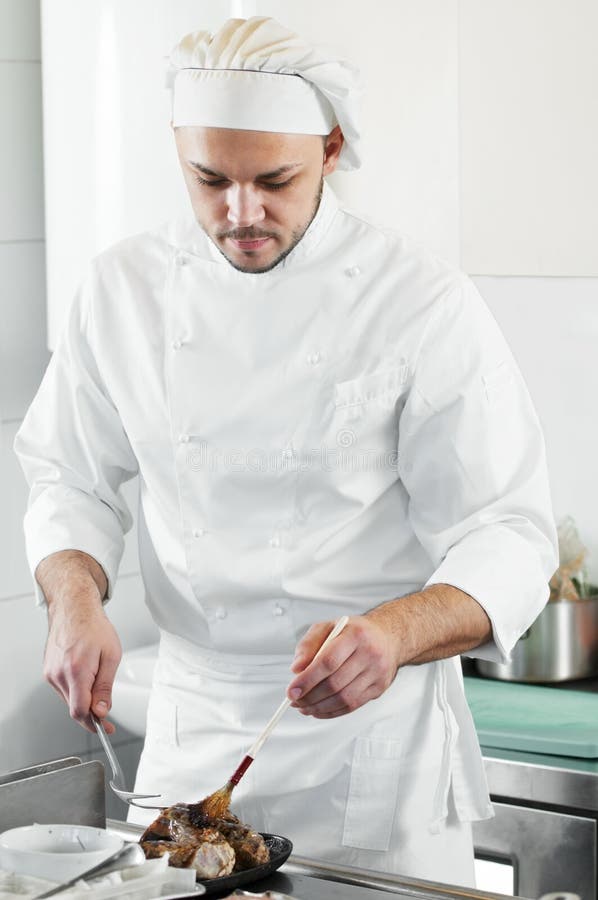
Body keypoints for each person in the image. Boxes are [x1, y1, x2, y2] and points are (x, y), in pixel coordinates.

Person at [14, 16, 557, 887]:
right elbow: (70, 475)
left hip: (372, 747)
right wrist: (73, 599)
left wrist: (393, 632)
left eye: (274, 180)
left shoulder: (419, 302)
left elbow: (511, 534)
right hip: (191, 736)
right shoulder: (122, 290)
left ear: (331, 147)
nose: (240, 215)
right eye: (208, 179)